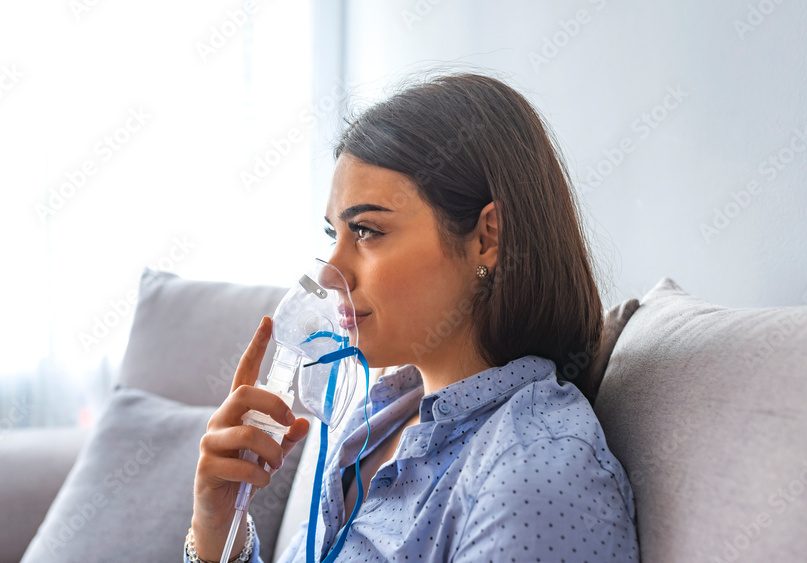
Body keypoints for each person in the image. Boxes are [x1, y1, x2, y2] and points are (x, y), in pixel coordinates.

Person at [185, 71, 639, 562]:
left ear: (487, 238)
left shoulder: (534, 475)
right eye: (331, 235)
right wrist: (217, 535)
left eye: (366, 231)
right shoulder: (381, 421)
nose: (331, 272)